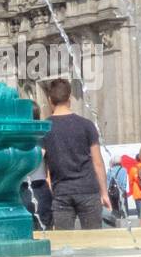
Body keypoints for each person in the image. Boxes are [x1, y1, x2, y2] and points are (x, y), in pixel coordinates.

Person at [42, 78, 111, 230]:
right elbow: (97, 162)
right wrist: (104, 193)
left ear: (49, 100)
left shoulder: (45, 128)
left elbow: (40, 160)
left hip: (61, 193)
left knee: (64, 244)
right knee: (94, 241)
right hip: (88, 190)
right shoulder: (86, 125)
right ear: (70, 98)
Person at [20, 102, 52, 230]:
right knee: (46, 229)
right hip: (39, 188)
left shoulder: (16, 136)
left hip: (21, 189)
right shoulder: (42, 135)